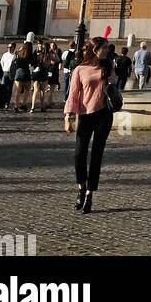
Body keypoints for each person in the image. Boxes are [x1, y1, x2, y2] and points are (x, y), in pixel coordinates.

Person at [64, 38, 117, 213]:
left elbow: (113, 85)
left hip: (104, 115)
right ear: (95, 50)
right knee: (79, 154)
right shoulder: (79, 69)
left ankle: (89, 194)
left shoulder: (108, 66)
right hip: (85, 115)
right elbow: (73, 94)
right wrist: (68, 116)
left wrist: (110, 77)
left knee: (96, 155)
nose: (107, 51)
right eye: (104, 48)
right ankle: (81, 186)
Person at [8, 41, 33, 113]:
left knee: (17, 91)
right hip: (26, 72)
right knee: (27, 89)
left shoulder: (19, 53)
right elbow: (32, 63)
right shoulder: (29, 54)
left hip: (18, 72)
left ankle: (16, 106)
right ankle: (23, 104)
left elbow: (14, 61)